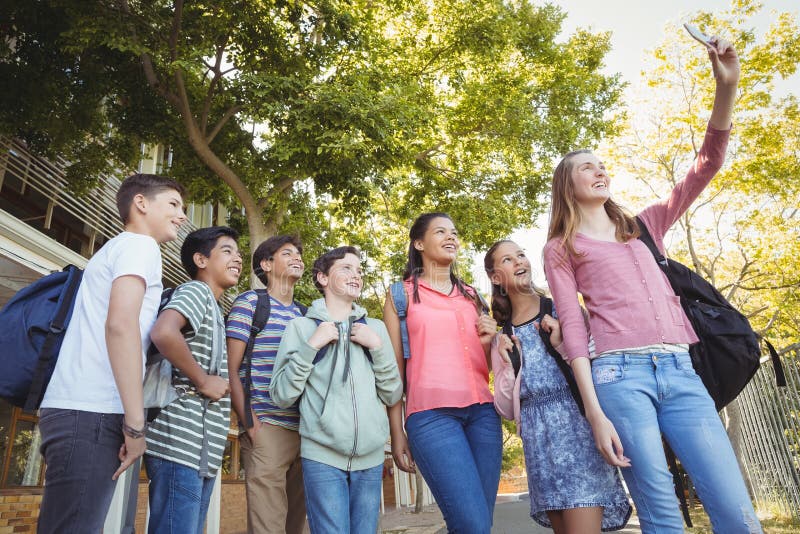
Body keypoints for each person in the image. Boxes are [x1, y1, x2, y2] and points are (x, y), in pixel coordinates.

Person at [543, 37, 762, 533]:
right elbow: (573, 330)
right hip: (619, 378)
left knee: (736, 511)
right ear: (567, 185)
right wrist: (596, 414)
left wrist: (725, 86)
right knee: (662, 513)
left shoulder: (646, 225)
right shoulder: (561, 247)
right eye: (585, 167)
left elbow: (706, 163)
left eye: (602, 164)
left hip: (682, 372)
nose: (599, 170)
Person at [37, 174, 187, 533]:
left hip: (77, 412)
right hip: (93, 413)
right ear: (141, 203)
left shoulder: (116, 248)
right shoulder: (140, 246)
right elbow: (120, 325)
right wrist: (135, 425)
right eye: (174, 204)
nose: (182, 215)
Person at [485, 239, 630, 533]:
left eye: (521, 255)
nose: (519, 262)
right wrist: (506, 365)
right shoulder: (503, 336)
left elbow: (596, 364)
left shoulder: (562, 310)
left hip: (577, 432)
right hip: (539, 446)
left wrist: (563, 344)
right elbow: (505, 408)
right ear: (495, 277)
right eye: (508, 260)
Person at [271, 246, 402, 534]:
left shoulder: (376, 329)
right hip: (321, 457)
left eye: (359, 270)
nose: (356, 275)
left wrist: (377, 348)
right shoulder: (300, 328)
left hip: (370, 458)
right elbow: (281, 395)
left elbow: (392, 394)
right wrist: (311, 346)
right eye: (346, 268)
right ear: (322, 278)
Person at [384, 213, 501, 534]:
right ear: (419, 243)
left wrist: (490, 341)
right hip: (432, 417)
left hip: (483, 415)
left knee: (478, 524)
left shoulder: (472, 296)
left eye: (454, 232)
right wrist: (396, 433)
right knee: (472, 525)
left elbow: (485, 367)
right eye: (440, 232)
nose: (451, 237)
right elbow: (392, 372)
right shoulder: (400, 296)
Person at [144, 226, 241, 533]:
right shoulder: (196, 291)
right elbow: (163, 332)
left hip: (199, 449)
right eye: (227, 251)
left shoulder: (213, 305)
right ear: (201, 259)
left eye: (238, 253)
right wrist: (202, 381)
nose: (237, 258)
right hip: (179, 444)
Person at [226, 235, 308, 534]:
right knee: (268, 527)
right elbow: (231, 369)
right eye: (287, 253)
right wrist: (251, 425)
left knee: (295, 526)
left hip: (306, 430)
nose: (298, 257)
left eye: (299, 254)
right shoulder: (251, 303)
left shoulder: (306, 313)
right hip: (267, 429)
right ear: (266, 264)